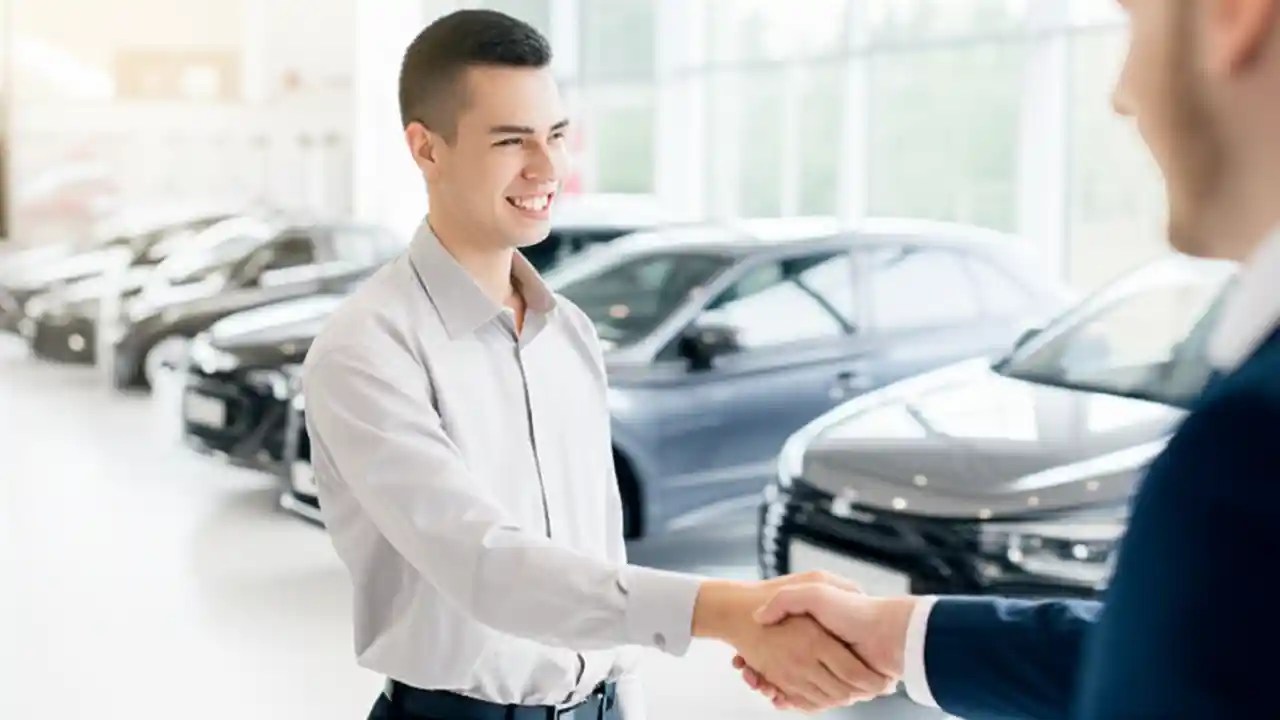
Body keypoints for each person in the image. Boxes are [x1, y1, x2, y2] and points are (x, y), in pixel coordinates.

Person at [301, 10, 893, 720]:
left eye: (555, 135)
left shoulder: (569, 332)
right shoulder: (367, 348)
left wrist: (624, 698)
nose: (549, 167)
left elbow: (598, 548)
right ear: (426, 149)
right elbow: (486, 567)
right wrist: (733, 610)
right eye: (511, 140)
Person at [735, 0, 1280, 717]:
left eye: (1132, 20)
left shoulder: (1249, 443)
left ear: (1232, 15)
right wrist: (905, 638)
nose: (1121, 94)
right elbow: (1220, 659)